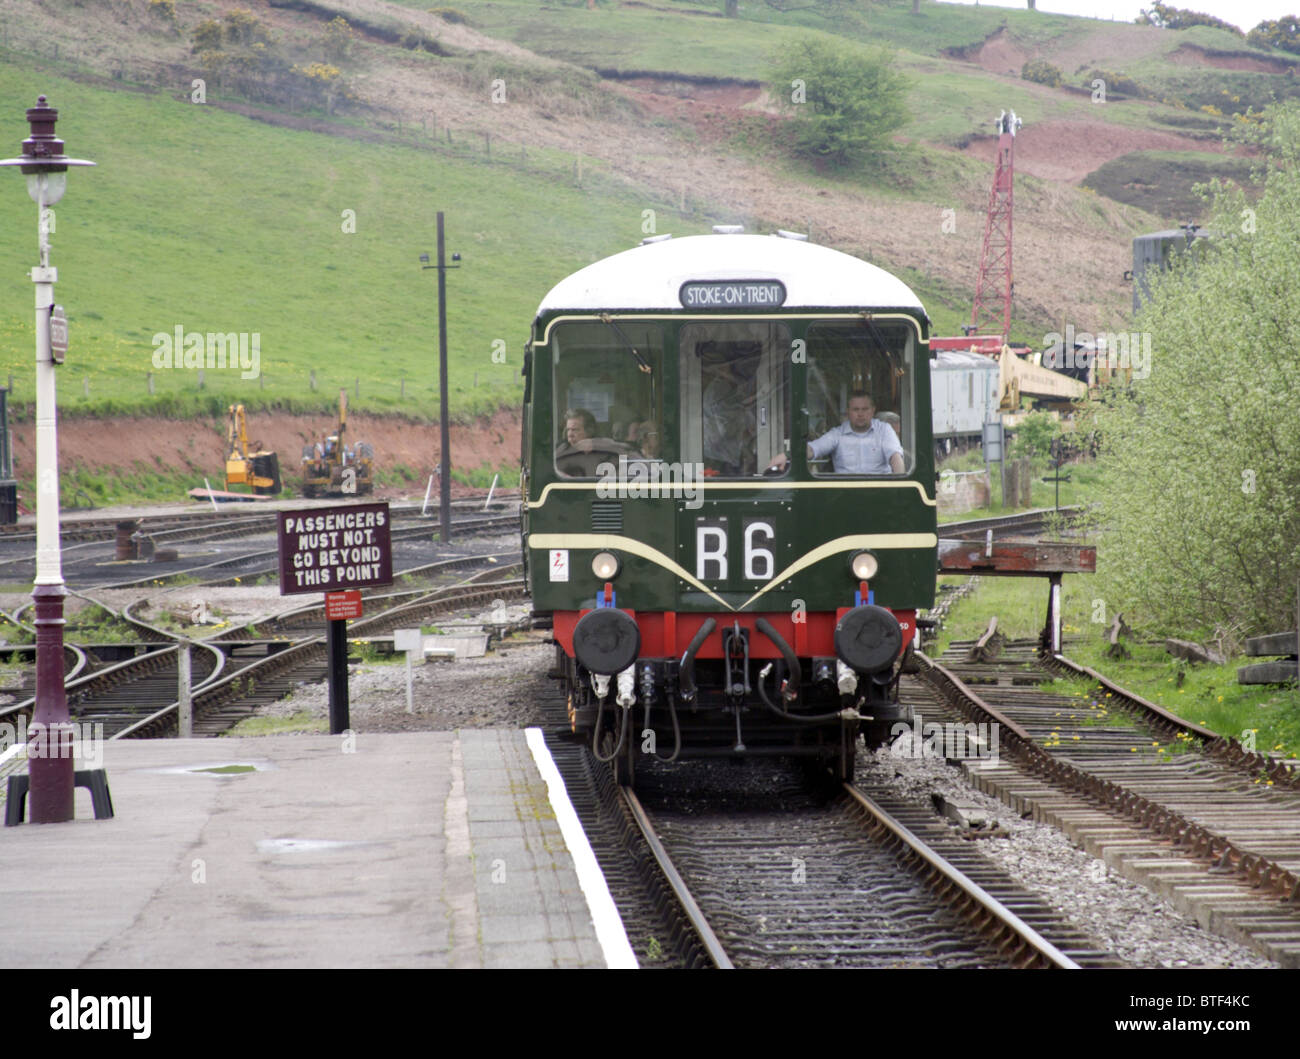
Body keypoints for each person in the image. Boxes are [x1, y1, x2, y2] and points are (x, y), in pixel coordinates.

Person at [767, 392, 903, 474]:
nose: (860, 414)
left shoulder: (885, 430)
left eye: (865, 409)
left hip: (881, 491)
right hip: (845, 494)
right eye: (856, 409)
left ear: (873, 410)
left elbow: (895, 457)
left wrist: (901, 489)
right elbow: (813, 449)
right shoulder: (837, 434)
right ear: (848, 412)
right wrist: (787, 455)